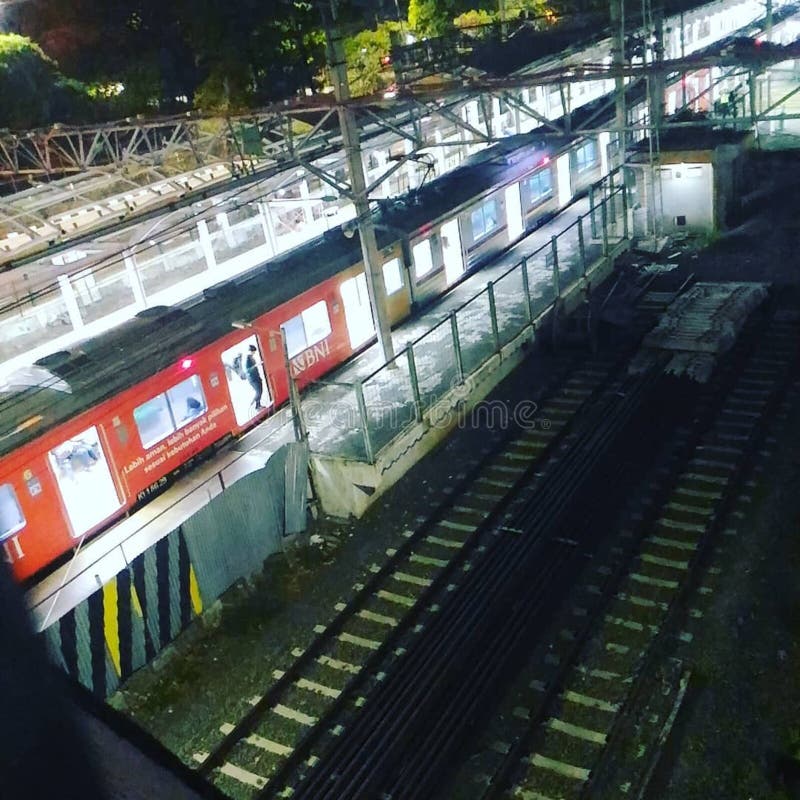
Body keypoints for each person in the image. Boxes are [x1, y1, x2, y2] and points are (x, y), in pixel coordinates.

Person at [245, 344, 264, 410]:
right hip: (252, 379)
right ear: (250, 351)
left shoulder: (251, 357)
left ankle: (258, 405)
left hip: (256, 377)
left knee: (260, 390)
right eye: (253, 351)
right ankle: (254, 402)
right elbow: (247, 370)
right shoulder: (247, 359)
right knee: (258, 391)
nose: (254, 353)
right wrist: (255, 366)